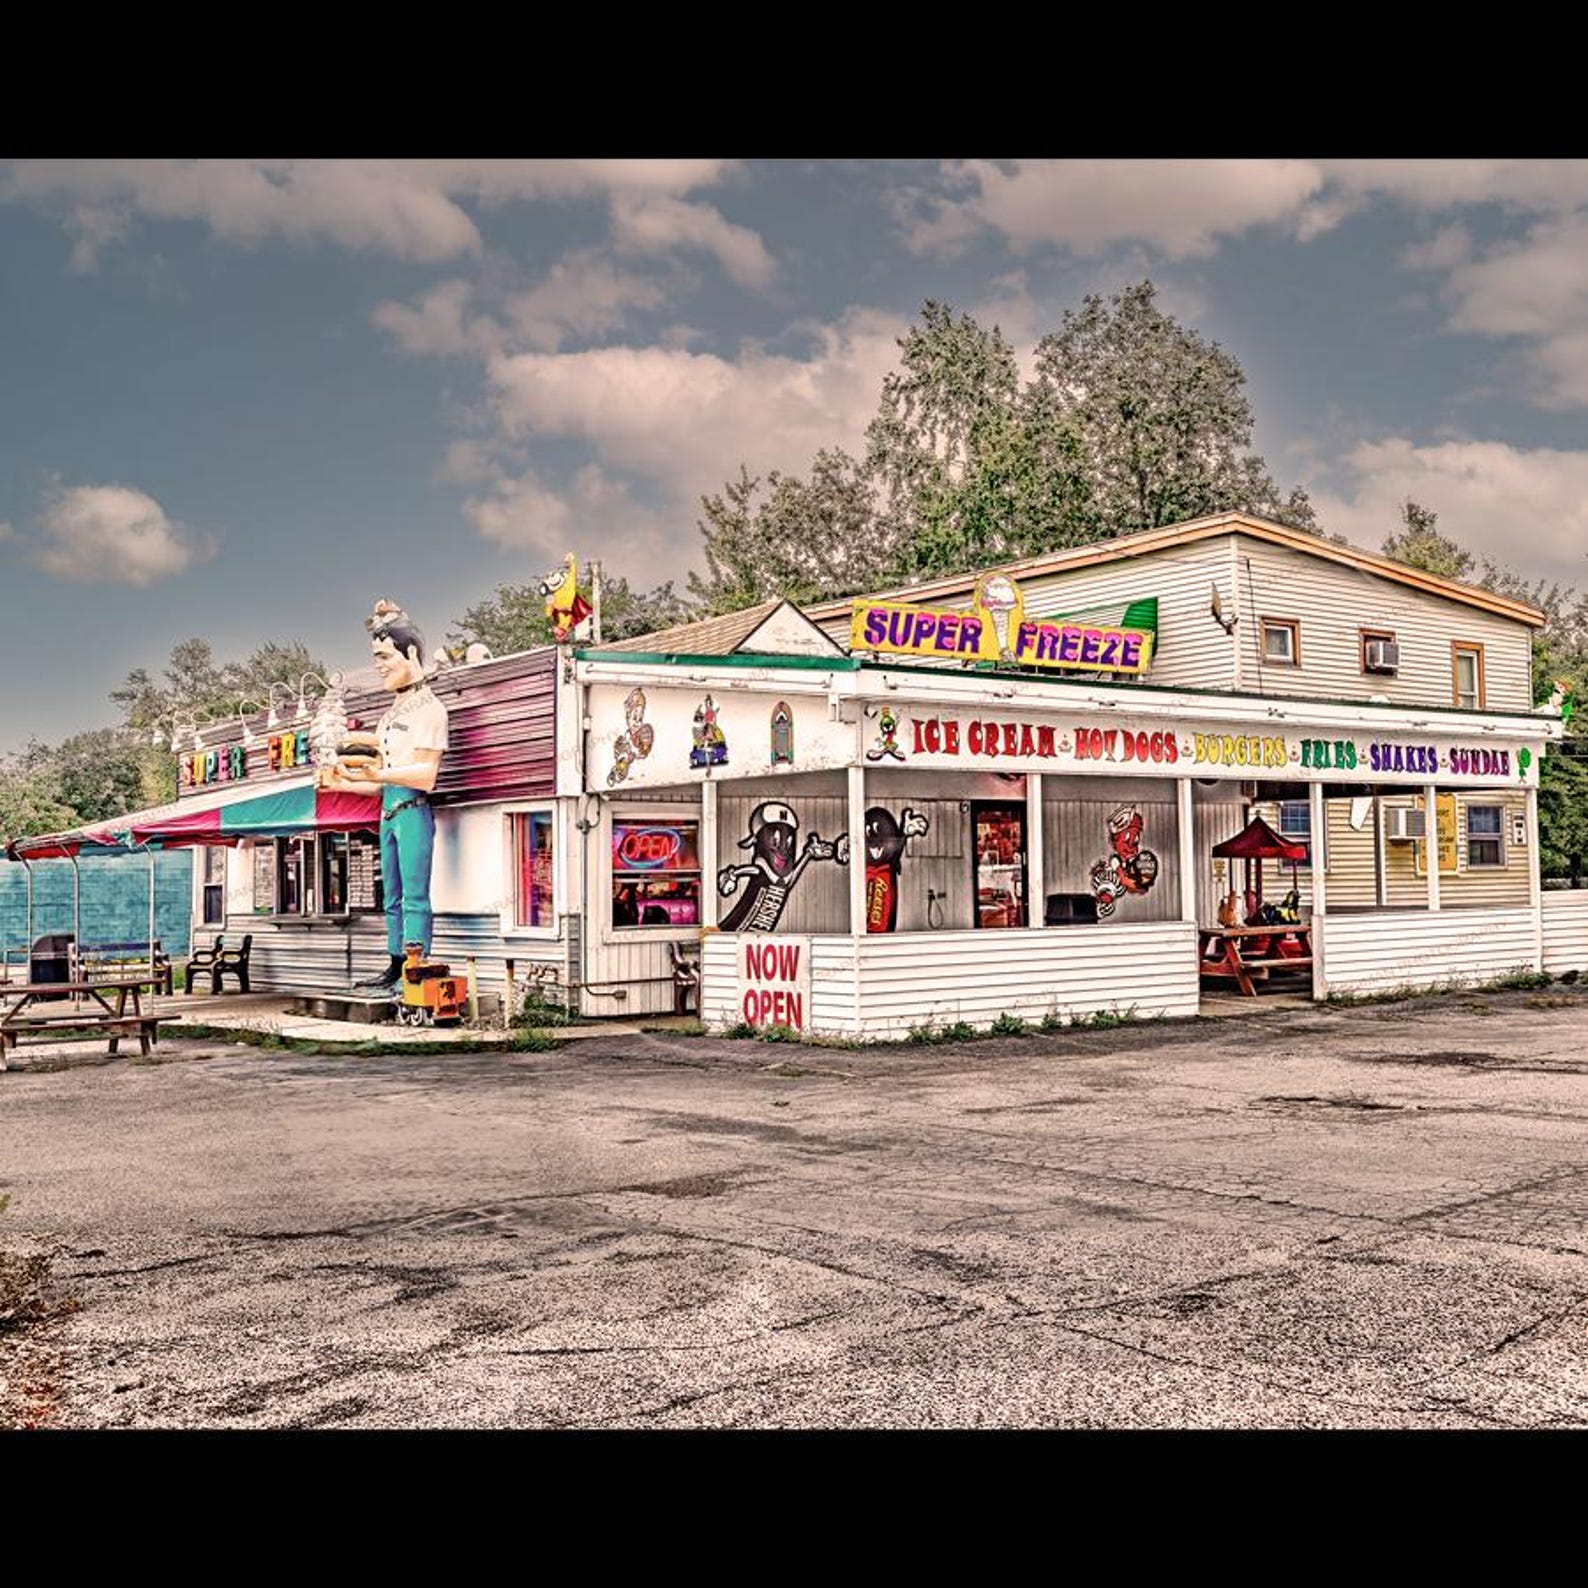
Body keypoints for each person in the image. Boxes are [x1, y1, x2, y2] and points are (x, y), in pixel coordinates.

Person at [321, 600, 449, 994]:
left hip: (412, 808)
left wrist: (379, 773)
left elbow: (426, 775)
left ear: (410, 652)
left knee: (414, 894)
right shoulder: (389, 714)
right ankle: (395, 962)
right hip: (389, 810)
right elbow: (378, 781)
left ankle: (416, 962)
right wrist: (341, 782)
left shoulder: (431, 709)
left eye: (384, 657)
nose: (379, 666)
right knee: (389, 896)